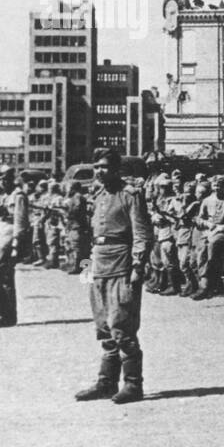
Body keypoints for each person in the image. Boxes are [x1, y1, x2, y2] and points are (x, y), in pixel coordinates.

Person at [74, 147, 154, 405]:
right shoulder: (97, 196)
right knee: (104, 328)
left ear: (117, 169)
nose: (99, 171)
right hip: (98, 265)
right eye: (96, 166)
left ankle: (133, 384)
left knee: (122, 326)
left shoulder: (129, 195)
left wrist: (138, 267)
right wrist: (86, 267)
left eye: (104, 166)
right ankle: (106, 383)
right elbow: (90, 237)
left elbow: (141, 233)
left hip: (121, 264)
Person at [0, 165, 29, 328]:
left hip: (10, 238)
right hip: (1, 236)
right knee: (6, 278)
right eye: (0, 179)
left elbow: (20, 220)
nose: (2, 182)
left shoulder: (18, 196)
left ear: (12, 178)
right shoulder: (5, 195)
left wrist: (17, 243)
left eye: (5, 179)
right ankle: (10, 317)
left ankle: (4, 314)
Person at [193, 177, 224, 300]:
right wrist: (208, 224)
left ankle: (212, 282)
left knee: (214, 245)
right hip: (209, 230)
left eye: (219, 185)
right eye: (214, 185)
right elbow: (199, 218)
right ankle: (204, 284)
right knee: (201, 249)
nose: (216, 187)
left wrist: (220, 227)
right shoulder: (207, 200)